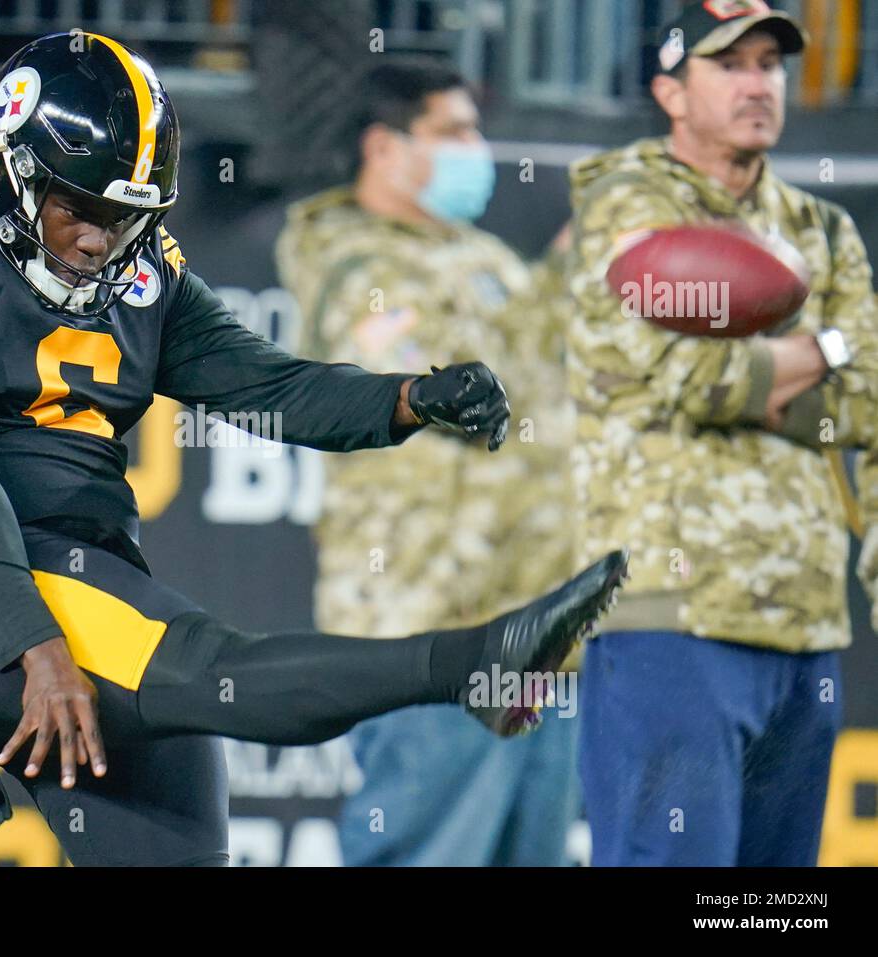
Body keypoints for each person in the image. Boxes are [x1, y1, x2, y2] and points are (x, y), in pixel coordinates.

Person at [0, 31, 627, 866]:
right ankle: (468, 664)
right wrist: (29, 640)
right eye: (80, 209)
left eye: (124, 217)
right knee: (213, 668)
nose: (98, 240)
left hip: (85, 578)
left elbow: (268, 386)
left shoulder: (140, 275)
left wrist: (407, 397)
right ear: (12, 171)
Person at [566, 1, 878, 866]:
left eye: (770, 64)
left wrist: (784, 370)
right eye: (730, 64)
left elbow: (865, 405)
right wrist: (826, 351)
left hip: (806, 617)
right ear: (670, 90)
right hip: (673, 610)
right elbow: (679, 375)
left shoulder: (824, 230)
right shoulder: (620, 203)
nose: (758, 84)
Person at [276, 60, 583, 866]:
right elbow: (454, 397)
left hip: (535, 622)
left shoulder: (482, 257)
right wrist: (570, 273)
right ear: (384, 146)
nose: (474, 149)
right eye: (452, 132)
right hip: (431, 627)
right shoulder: (358, 269)